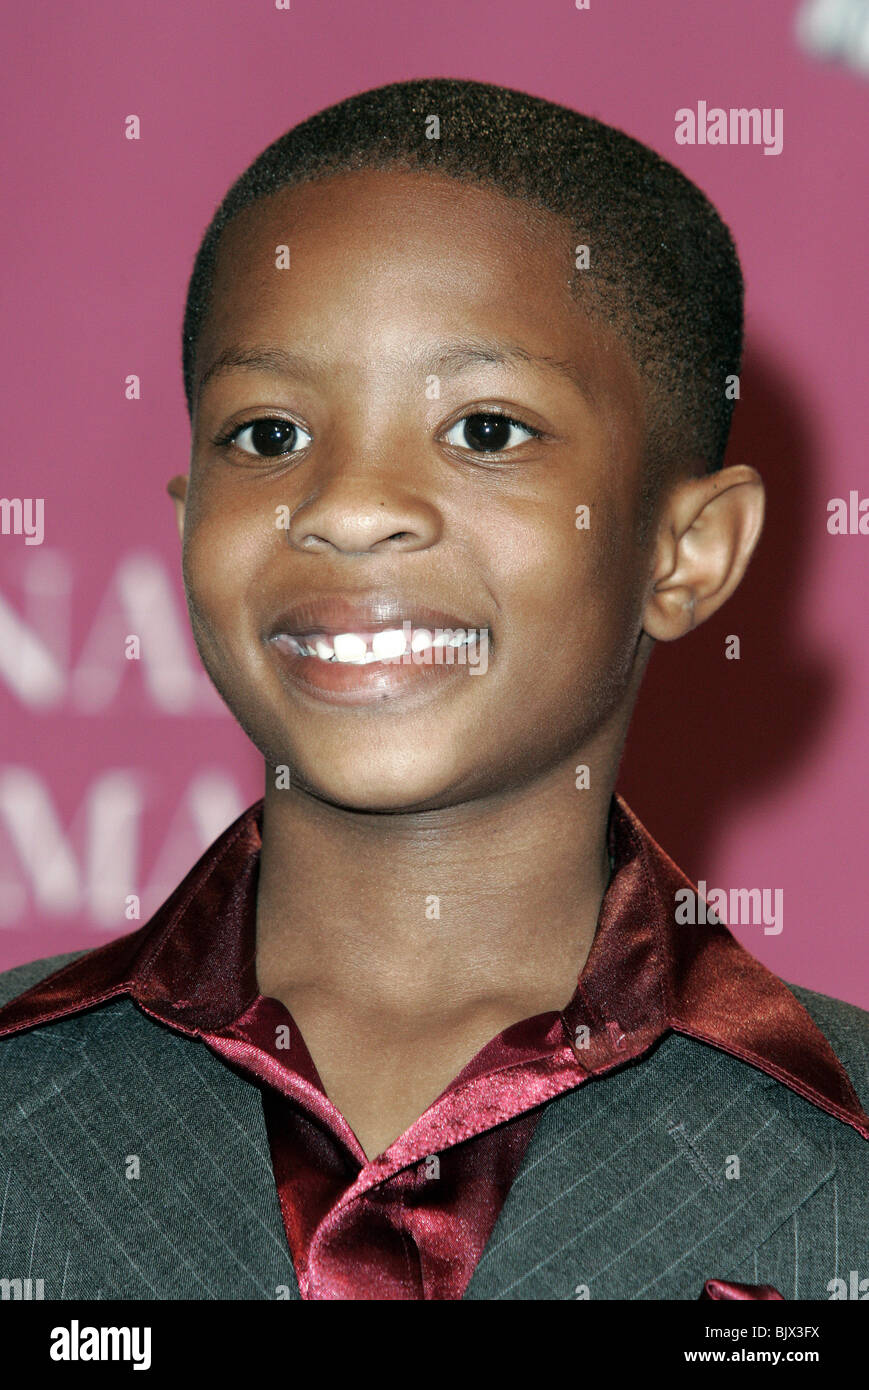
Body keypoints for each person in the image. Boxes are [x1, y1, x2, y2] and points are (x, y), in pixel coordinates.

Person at [1, 78, 866, 1302]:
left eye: (487, 431)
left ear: (686, 552)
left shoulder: (839, 1146)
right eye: (267, 436)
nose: (349, 507)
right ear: (188, 520)